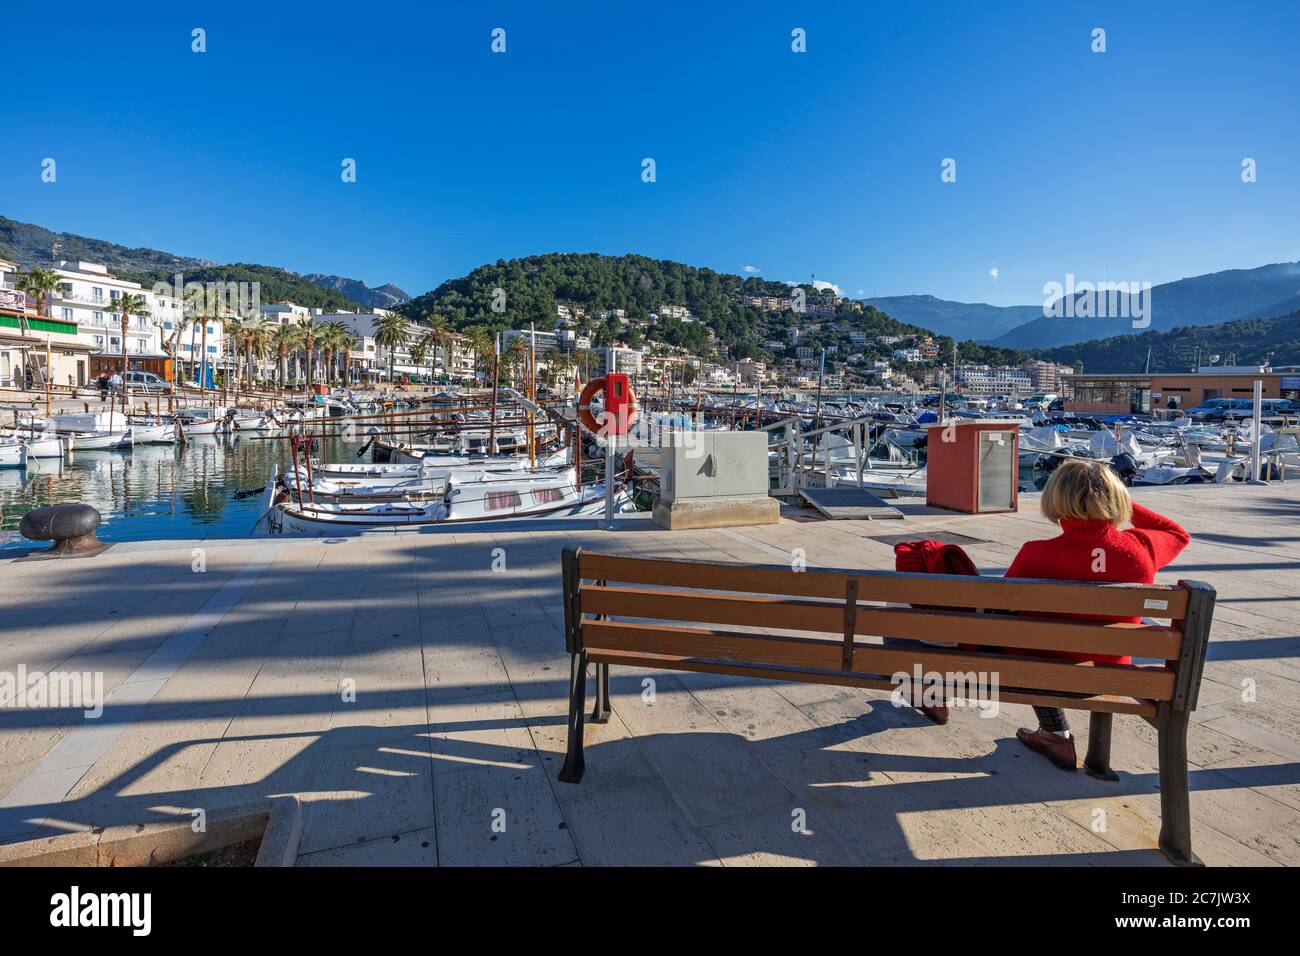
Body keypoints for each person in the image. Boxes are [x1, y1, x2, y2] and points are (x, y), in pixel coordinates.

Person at [1005, 459, 1190, 770]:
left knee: (1021, 634)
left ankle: (1054, 733)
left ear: (1054, 497)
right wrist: (1123, 506)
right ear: (1115, 498)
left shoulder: (1034, 554)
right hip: (1112, 675)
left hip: (1042, 674)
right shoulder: (1141, 548)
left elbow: (1002, 607)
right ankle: (1056, 736)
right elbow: (1177, 534)